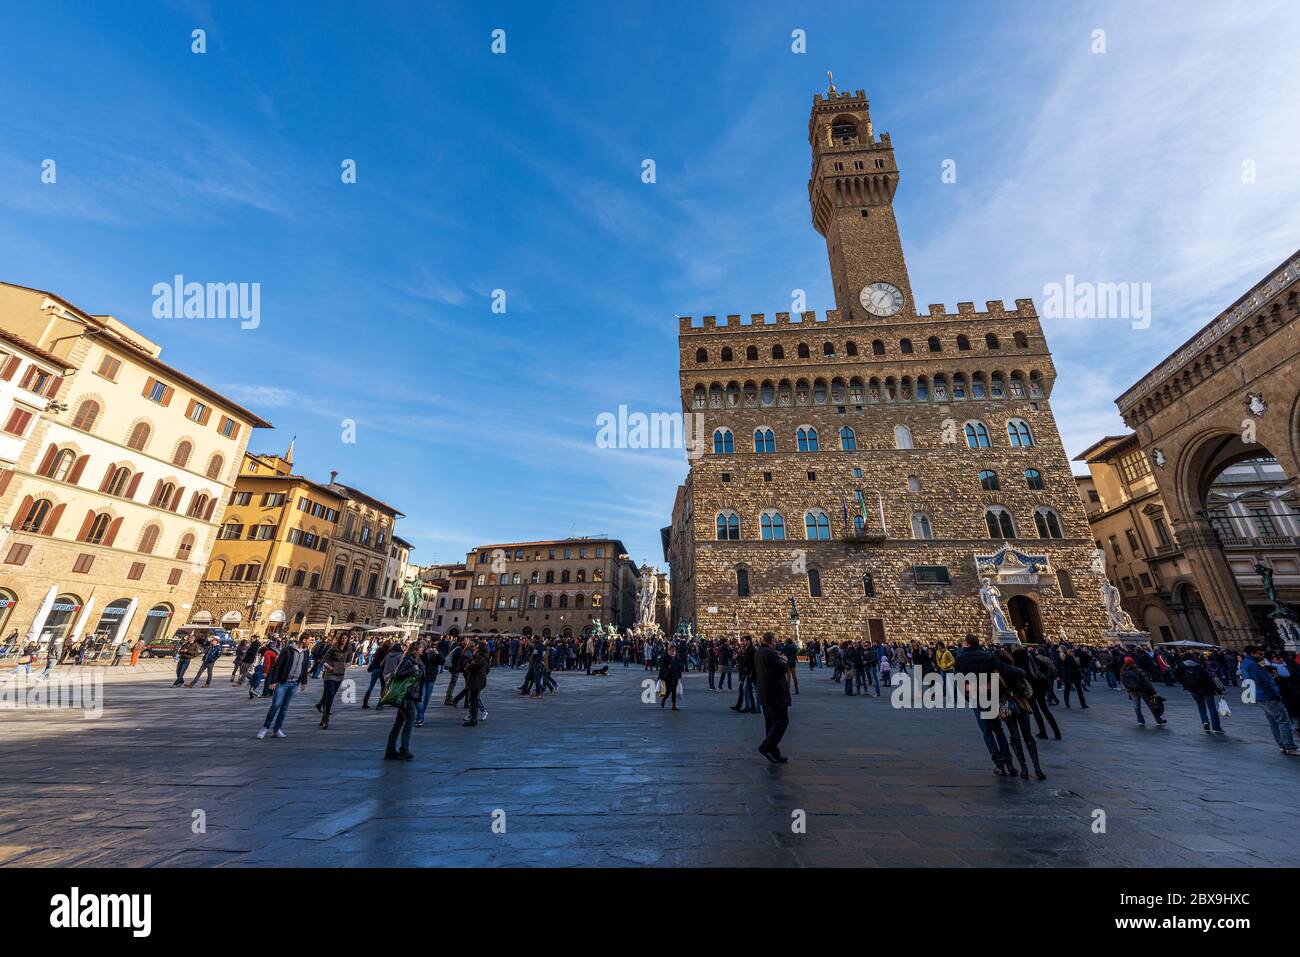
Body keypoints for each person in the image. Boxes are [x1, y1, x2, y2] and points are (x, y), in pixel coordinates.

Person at [954, 634, 1015, 776]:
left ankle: (999, 765)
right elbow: (1004, 670)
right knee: (998, 730)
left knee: (987, 732)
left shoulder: (961, 659)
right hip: (991, 696)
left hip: (976, 698)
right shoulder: (988, 656)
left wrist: (969, 690)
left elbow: (959, 681)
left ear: (967, 644)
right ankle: (1009, 762)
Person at [1240, 645, 1298, 755]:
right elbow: (1263, 681)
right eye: (1259, 653)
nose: (1261, 656)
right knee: (1283, 721)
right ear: (1252, 653)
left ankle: (1282, 745)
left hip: (1259, 696)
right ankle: (1290, 746)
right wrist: (1274, 693)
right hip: (1267, 696)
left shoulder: (1245, 663)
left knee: (1274, 722)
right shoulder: (1253, 665)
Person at [256, 637, 310, 739]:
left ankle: (276, 729)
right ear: (304, 640)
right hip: (282, 682)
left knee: (285, 707)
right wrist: (273, 681)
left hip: (294, 683)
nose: (311, 642)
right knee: (276, 704)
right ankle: (265, 727)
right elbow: (278, 665)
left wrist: (304, 681)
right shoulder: (288, 650)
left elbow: (304, 667)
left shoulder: (306, 652)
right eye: (309, 640)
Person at [753, 633, 791, 763]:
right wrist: (784, 660)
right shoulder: (770, 653)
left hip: (764, 693)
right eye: (775, 640)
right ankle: (766, 746)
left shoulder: (759, 651)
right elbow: (783, 668)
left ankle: (773, 753)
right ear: (771, 641)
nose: (777, 642)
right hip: (775, 693)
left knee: (770, 724)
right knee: (782, 721)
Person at [384, 642, 425, 759]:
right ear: (416, 649)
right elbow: (398, 674)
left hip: (411, 694)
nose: (423, 650)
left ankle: (390, 750)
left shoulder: (416, 660)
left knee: (399, 723)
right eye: (421, 648)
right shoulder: (407, 659)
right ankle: (403, 749)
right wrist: (412, 670)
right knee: (409, 721)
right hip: (406, 695)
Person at [1174, 651, 1225, 735]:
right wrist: (1217, 690)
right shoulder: (1198, 666)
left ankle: (1205, 722)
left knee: (1201, 707)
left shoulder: (1181, 667)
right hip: (1206, 690)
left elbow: (1176, 675)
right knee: (1212, 708)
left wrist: (1185, 684)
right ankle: (1216, 728)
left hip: (1193, 690)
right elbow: (1209, 679)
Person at [1120, 655, 1166, 727]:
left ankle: (1140, 721)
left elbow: (1123, 681)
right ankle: (1158, 719)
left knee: (1136, 706)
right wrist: (1152, 690)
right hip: (1142, 689)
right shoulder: (1137, 669)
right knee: (1150, 705)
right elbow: (1146, 680)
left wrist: (1128, 689)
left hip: (1132, 690)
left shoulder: (1123, 671)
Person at [315, 636, 350, 729]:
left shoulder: (347, 650)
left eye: (346, 639)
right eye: (342, 638)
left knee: (330, 697)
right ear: (340, 639)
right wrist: (330, 668)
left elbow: (349, 661)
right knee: (330, 696)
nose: (344, 640)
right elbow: (323, 661)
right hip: (330, 675)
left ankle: (323, 718)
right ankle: (326, 719)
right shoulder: (333, 649)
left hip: (340, 675)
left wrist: (346, 666)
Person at [462, 642, 488, 727]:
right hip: (476, 680)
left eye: (476, 647)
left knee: (474, 700)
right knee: (473, 699)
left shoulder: (480, 657)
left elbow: (472, 666)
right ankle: (473, 717)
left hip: (476, 681)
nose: (474, 649)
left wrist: (469, 666)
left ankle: (474, 718)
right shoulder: (478, 657)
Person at [658, 643, 683, 710]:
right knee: (669, 690)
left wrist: (679, 675)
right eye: (672, 647)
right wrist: (667, 667)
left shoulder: (676, 655)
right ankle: (664, 698)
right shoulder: (666, 655)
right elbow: (662, 665)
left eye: (674, 647)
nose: (674, 648)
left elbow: (678, 665)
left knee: (674, 690)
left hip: (675, 675)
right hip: (668, 675)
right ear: (669, 648)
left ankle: (674, 705)